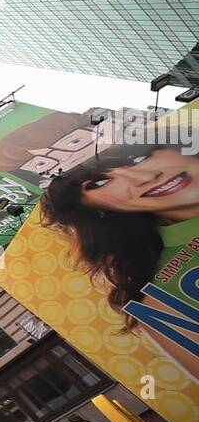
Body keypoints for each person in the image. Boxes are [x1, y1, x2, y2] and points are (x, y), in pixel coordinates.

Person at [39, 143, 199, 381]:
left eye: (138, 158)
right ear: (95, 209)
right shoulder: (160, 294)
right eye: (99, 183)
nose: (144, 177)